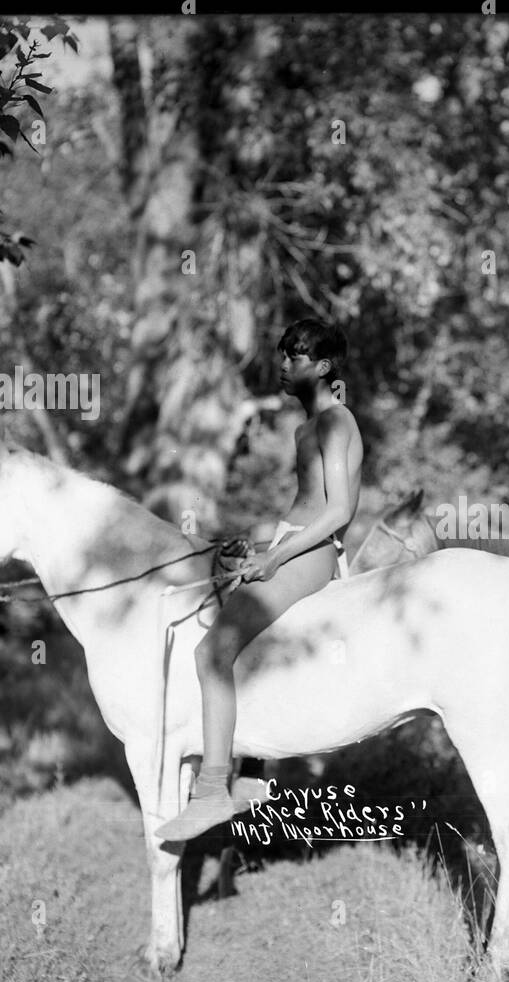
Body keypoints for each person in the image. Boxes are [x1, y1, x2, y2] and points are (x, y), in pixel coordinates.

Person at [157, 319, 363, 841]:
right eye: (282, 355)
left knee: (210, 653)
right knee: (234, 637)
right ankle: (252, 778)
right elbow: (304, 507)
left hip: (314, 553)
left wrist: (279, 557)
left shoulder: (338, 423)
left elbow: (338, 511)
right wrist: (256, 543)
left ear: (322, 367)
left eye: (294, 357)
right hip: (294, 542)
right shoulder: (304, 430)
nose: (283, 366)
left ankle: (211, 792)